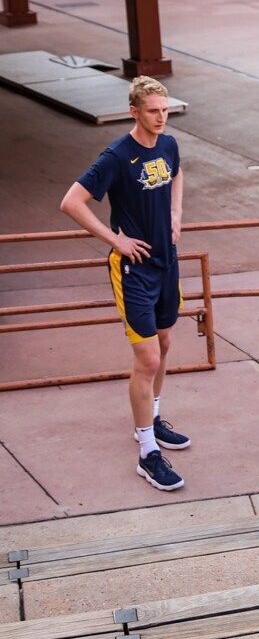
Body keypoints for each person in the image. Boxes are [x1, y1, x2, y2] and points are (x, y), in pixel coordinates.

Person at [60, 76, 190, 491]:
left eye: (165, 109)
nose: (161, 117)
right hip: (134, 269)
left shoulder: (168, 144)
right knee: (148, 359)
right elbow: (71, 202)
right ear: (134, 111)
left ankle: (149, 420)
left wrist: (175, 215)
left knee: (165, 344)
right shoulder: (117, 155)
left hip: (167, 263)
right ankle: (148, 454)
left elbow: (177, 173)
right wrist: (114, 239)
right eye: (153, 111)